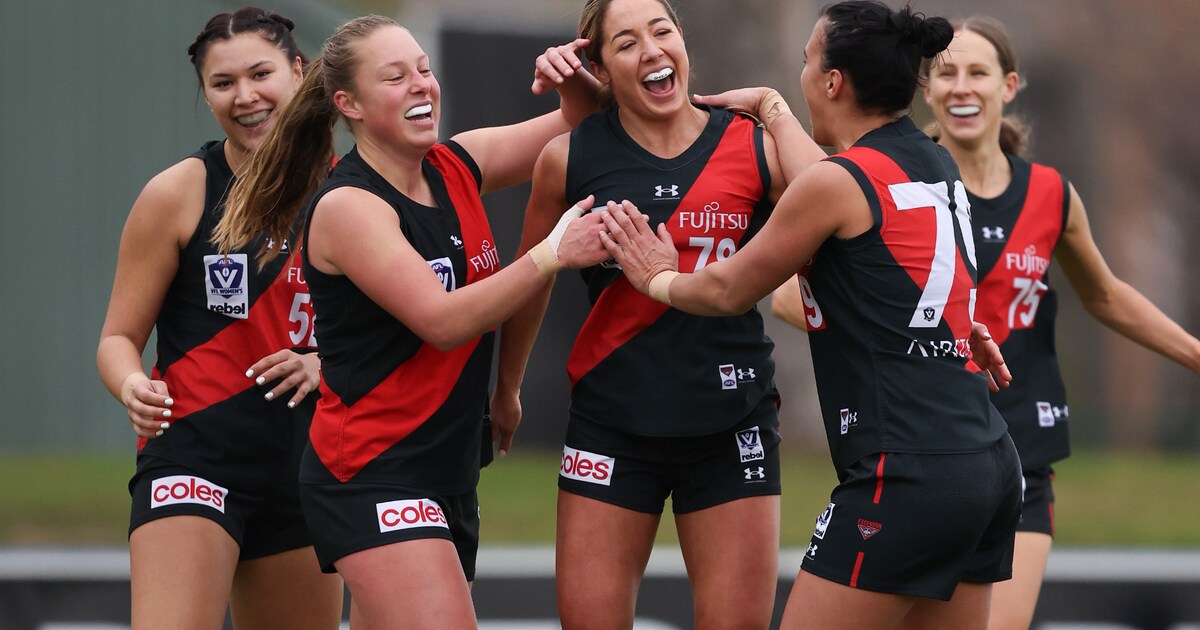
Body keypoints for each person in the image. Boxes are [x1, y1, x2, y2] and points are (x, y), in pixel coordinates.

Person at [598, 2, 1025, 628]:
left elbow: (725, 290)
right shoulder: (933, 161)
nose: (802, 76)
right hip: (987, 464)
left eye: (807, 62)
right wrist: (772, 107)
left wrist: (658, 276)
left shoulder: (839, 184)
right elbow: (863, 218)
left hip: (906, 475)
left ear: (833, 82)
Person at [212, 15, 609, 628]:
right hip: (372, 470)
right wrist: (553, 251)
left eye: (424, 69)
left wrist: (573, 78)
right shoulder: (350, 207)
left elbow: (581, 125)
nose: (422, 85)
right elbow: (444, 321)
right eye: (396, 77)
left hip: (444, 466)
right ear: (350, 104)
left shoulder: (457, 163)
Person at [491, 0, 826, 626]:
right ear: (601, 68)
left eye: (662, 30)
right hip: (611, 425)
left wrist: (777, 112)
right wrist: (506, 388)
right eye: (625, 42)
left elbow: (839, 211)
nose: (651, 50)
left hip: (732, 424)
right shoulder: (569, 158)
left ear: (682, 42)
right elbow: (530, 280)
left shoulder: (751, 145)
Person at [920, 17, 1200, 630]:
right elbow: (796, 296)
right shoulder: (902, 184)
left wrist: (1194, 353)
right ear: (926, 89)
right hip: (926, 447)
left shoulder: (1050, 194)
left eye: (978, 73)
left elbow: (1104, 295)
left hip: (1021, 447)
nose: (961, 87)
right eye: (946, 73)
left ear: (1009, 85)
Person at [96, 8, 344, 629]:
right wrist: (132, 385)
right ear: (205, 94)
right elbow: (118, 339)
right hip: (193, 459)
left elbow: (409, 331)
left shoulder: (353, 194)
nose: (246, 96)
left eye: (261, 74)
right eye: (223, 83)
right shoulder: (178, 192)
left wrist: (324, 363)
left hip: (308, 467)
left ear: (298, 71)